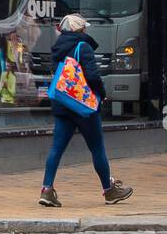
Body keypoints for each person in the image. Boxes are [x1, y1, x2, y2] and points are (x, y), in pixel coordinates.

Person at [39, 14, 134, 207]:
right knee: (97, 147)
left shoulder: (58, 48)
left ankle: (47, 190)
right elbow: (92, 75)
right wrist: (102, 93)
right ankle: (109, 191)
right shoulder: (83, 47)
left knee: (56, 148)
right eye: (84, 28)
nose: (86, 30)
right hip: (83, 107)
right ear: (80, 29)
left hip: (63, 105)